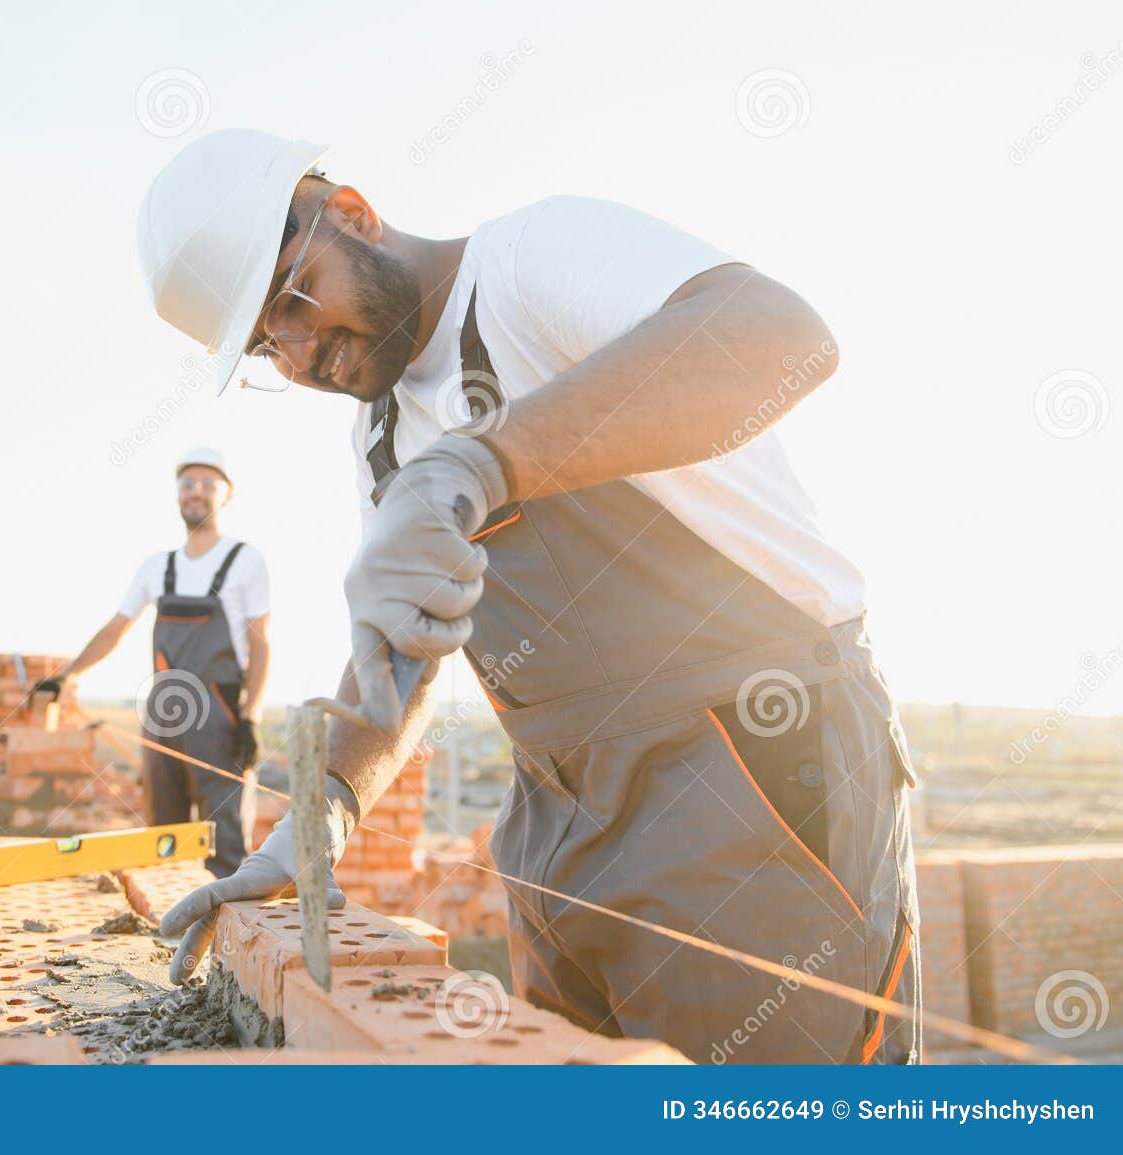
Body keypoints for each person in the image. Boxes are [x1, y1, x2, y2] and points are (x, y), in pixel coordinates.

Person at [133, 130, 920, 1063]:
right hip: (555, 812)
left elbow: (779, 335)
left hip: (746, 758)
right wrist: (322, 816)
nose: (302, 355)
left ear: (352, 213)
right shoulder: (380, 441)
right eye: (268, 344)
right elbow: (410, 643)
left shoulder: (528, 261)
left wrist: (485, 458)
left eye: (293, 298)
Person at [44, 448, 270, 877]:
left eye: (207, 483)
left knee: (222, 839)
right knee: (162, 836)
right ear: (177, 495)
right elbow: (115, 630)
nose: (196, 492)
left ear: (227, 494)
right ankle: (168, 938)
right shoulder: (157, 567)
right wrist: (66, 676)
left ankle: (224, 938)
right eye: (187, 484)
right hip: (164, 715)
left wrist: (251, 716)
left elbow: (262, 644)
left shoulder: (245, 561)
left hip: (220, 716)